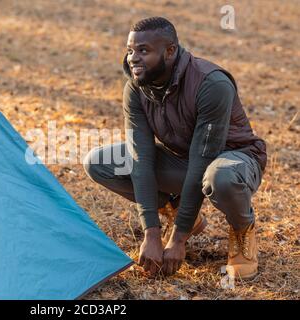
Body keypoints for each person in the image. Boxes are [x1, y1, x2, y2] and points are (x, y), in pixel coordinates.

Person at [83, 17, 267, 279]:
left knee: (219, 177)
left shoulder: (211, 84)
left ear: (170, 51)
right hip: (184, 161)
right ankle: (179, 211)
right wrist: (152, 232)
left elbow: (204, 159)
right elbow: (141, 158)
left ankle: (242, 230)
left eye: (143, 51)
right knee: (100, 163)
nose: (133, 58)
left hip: (235, 160)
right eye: (130, 50)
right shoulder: (136, 88)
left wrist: (178, 239)